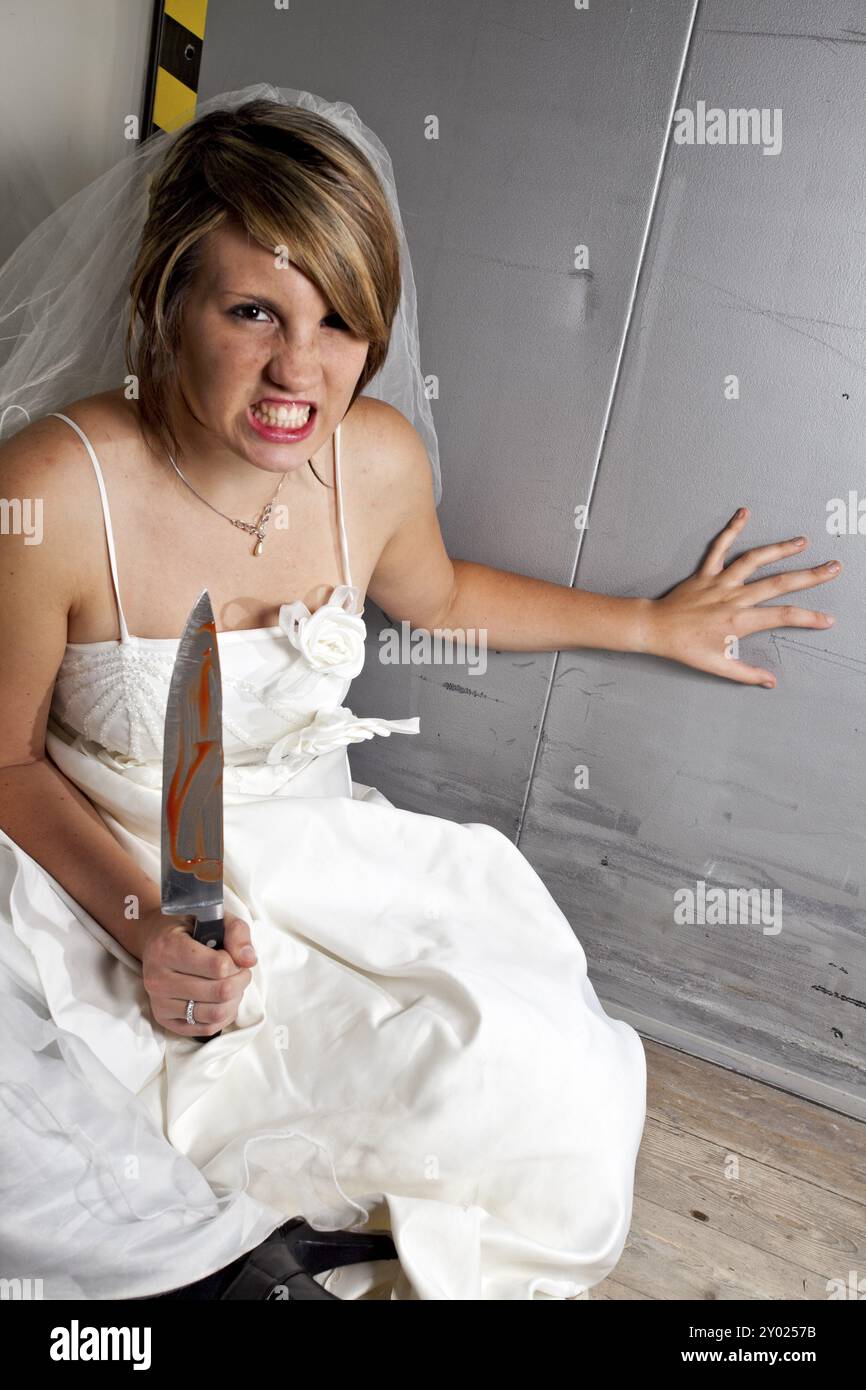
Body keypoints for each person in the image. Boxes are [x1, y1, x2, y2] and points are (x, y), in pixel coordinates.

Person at [0, 89, 840, 1301]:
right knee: (57, 1147)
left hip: (321, 868)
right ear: (162, 299)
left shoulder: (375, 459)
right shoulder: (50, 488)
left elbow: (441, 599)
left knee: (537, 1090)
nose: (302, 368)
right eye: (252, 311)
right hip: (93, 868)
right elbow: (7, 762)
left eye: (341, 323)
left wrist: (651, 623)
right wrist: (145, 923)